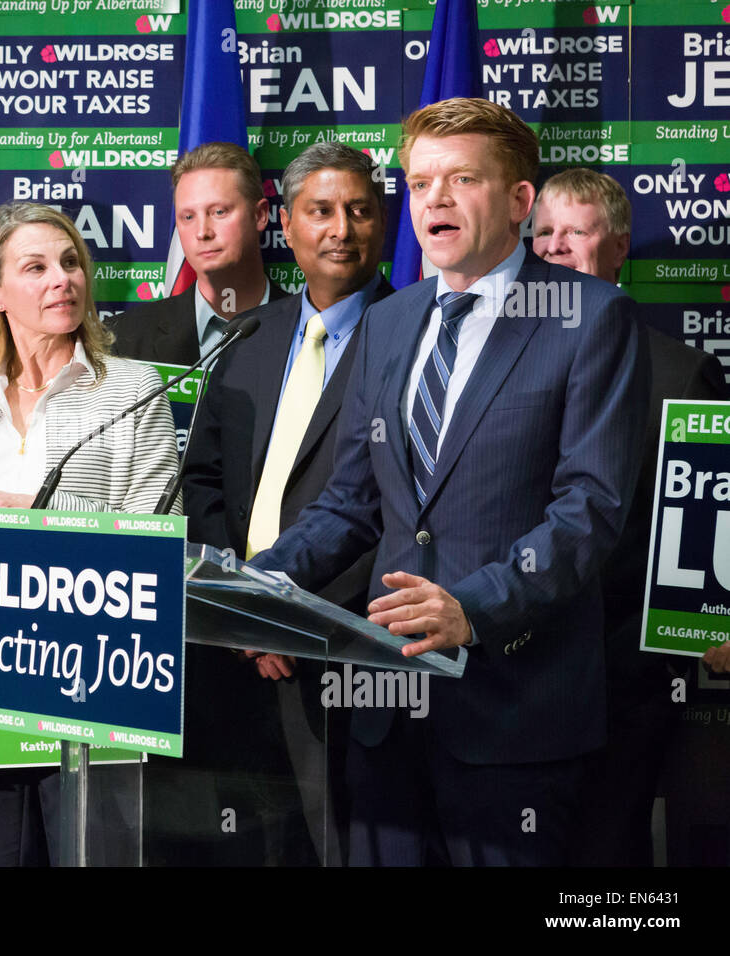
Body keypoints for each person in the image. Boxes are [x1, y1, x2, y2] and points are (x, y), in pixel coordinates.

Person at [250, 97, 649, 866]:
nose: (434, 197)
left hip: (515, 713)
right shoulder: (389, 324)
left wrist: (470, 608)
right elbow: (353, 504)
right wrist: (256, 584)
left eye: (461, 178)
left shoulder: (590, 317)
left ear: (520, 201)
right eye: (421, 180)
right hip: (387, 713)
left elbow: (589, 513)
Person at [0, 202, 181, 865]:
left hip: (97, 693)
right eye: (36, 268)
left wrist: (27, 510)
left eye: (70, 264)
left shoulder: (133, 390)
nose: (61, 279)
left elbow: (155, 540)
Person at [180, 141, 392, 866]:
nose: (341, 229)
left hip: (342, 650)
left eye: (360, 211)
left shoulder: (413, 335)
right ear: (289, 228)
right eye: (321, 212)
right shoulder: (250, 334)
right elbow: (202, 480)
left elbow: (391, 506)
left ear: (385, 224)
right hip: (236, 650)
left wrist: (290, 618)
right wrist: (241, 606)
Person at [532, 167, 729, 865]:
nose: (555, 246)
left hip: (622, 682)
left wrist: (710, 617)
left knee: (603, 861)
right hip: (505, 676)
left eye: (576, 232)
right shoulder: (489, 361)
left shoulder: (682, 373)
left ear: (617, 247)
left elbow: (705, 518)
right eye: (544, 232)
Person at [109, 142, 289, 365]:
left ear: (261, 215)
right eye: (188, 217)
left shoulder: (309, 328)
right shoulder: (123, 339)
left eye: (219, 212)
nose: (202, 232)